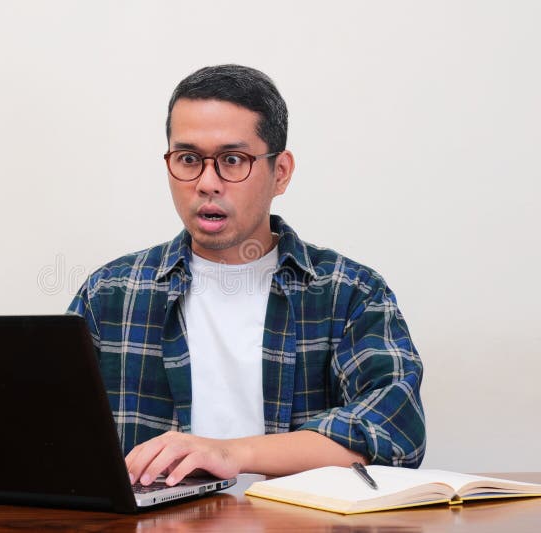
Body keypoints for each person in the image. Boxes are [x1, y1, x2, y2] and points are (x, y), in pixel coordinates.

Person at [68, 64, 425, 487]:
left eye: (232, 160)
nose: (207, 183)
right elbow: (53, 436)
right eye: (187, 159)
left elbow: (397, 431)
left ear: (281, 172)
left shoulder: (349, 293)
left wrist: (231, 453)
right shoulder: (110, 293)